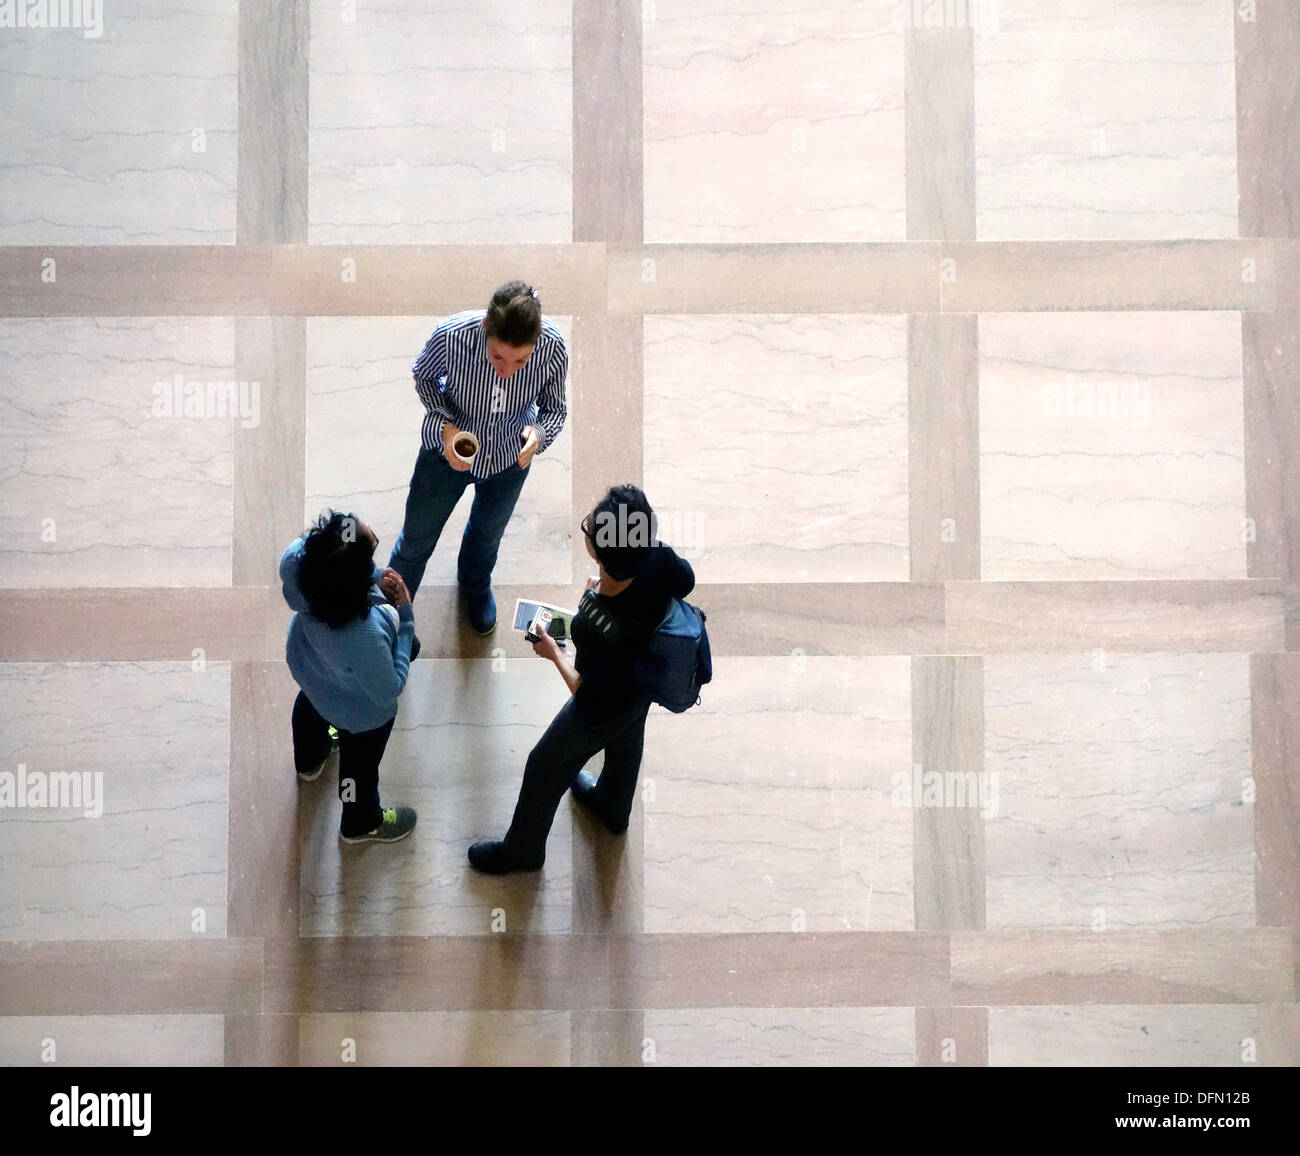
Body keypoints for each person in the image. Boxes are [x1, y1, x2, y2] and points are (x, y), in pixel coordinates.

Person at [468, 485, 695, 874]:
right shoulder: (658, 558)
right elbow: (685, 581)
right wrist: (609, 586)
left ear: (600, 553)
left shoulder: (593, 623)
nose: (586, 526)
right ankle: (612, 806)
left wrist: (553, 652)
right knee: (626, 743)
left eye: (589, 529)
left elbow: (587, 696)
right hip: (642, 687)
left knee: (543, 765)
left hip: (605, 703)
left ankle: (523, 850)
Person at [388, 280, 569, 635]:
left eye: (521, 360)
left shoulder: (553, 348)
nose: (507, 369)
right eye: (498, 356)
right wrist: (445, 422)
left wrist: (539, 435)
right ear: (486, 327)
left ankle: (475, 584)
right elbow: (423, 376)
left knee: (488, 535)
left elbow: (555, 409)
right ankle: (391, 609)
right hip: (446, 452)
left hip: (508, 460)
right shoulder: (451, 336)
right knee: (416, 537)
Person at [281, 510, 418, 844]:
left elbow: (331, 568)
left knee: (309, 712)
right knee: (358, 772)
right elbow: (389, 690)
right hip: (358, 716)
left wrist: (369, 574)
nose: (368, 526)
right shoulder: (364, 636)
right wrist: (406, 619)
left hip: (310, 670)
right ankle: (360, 823)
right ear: (354, 584)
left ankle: (310, 762)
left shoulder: (296, 566)